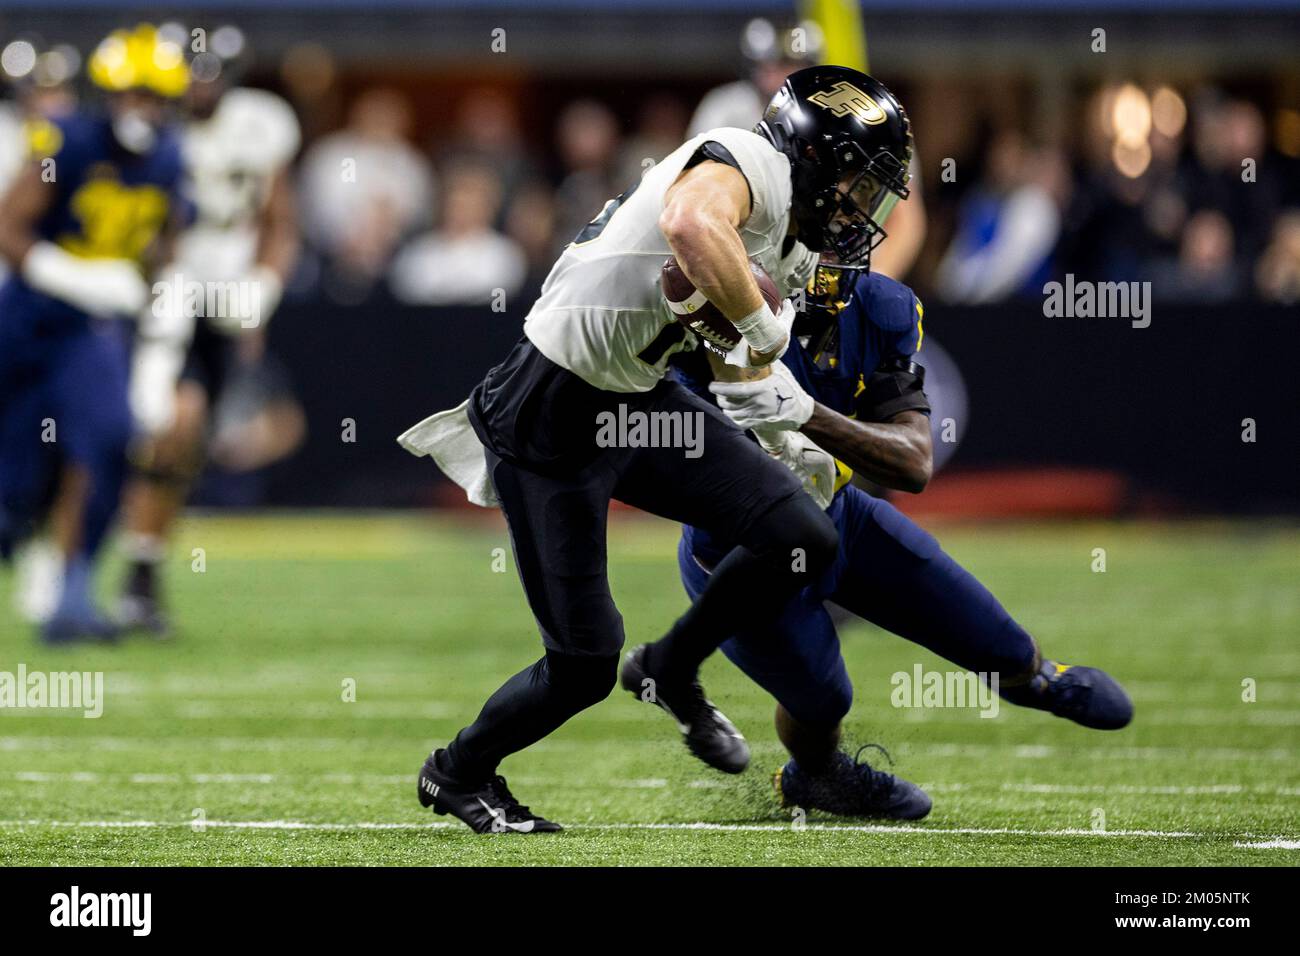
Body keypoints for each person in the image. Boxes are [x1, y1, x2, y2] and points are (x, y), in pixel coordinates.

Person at [399, 65, 908, 833]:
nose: (864, 207)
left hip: (636, 398)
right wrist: (767, 334)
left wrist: (778, 427)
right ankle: (456, 771)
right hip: (552, 413)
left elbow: (736, 358)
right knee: (582, 665)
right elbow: (691, 229)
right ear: (816, 158)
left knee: (799, 530)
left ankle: (671, 666)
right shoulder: (746, 160)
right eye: (860, 183)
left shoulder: (794, 237)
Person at [667, 260, 1134, 820]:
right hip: (738, 555)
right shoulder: (701, 304)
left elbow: (913, 463)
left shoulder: (876, 304)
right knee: (822, 702)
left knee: (1000, 645)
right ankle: (816, 775)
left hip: (839, 517)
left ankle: (1035, 679)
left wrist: (807, 413)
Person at [0, 23, 187, 642]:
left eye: (153, 97)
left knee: (110, 438)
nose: (142, 109)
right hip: (26, 320)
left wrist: (160, 350)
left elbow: (164, 254)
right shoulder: (69, 143)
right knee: (17, 477)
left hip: (89, 330)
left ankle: (73, 591)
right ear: (106, 93)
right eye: (131, 93)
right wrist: (76, 276)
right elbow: (8, 228)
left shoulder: (169, 158)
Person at [117, 30, 302, 637]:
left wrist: (264, 289)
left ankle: (142, 573)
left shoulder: (261, 125)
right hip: (163, 299)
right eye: (191, 75)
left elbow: (279, 221)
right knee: (177, 420)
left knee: (185, 449)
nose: (201, 87)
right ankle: (111, 569)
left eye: (210, 74)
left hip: (224, 304)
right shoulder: (148, 133)